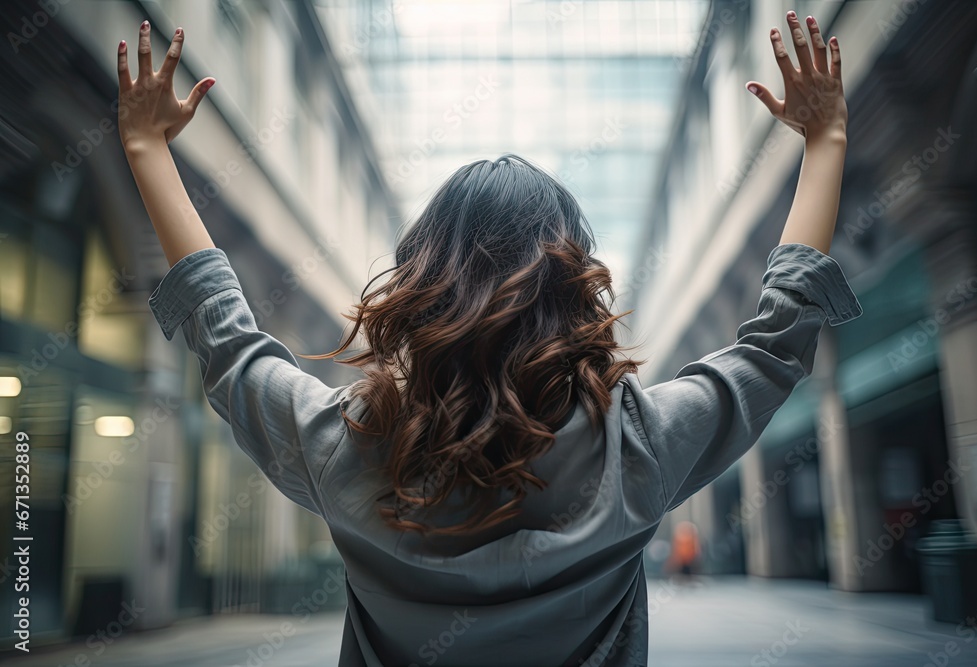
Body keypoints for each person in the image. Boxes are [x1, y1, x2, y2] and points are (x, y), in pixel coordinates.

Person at [116, 9, 859, 666]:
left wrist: (149, 150)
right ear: (574, 290)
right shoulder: (636, 443)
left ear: (419, 285)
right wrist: (823, 141)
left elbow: (229, 343)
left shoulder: (347, 445)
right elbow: (774, 344)